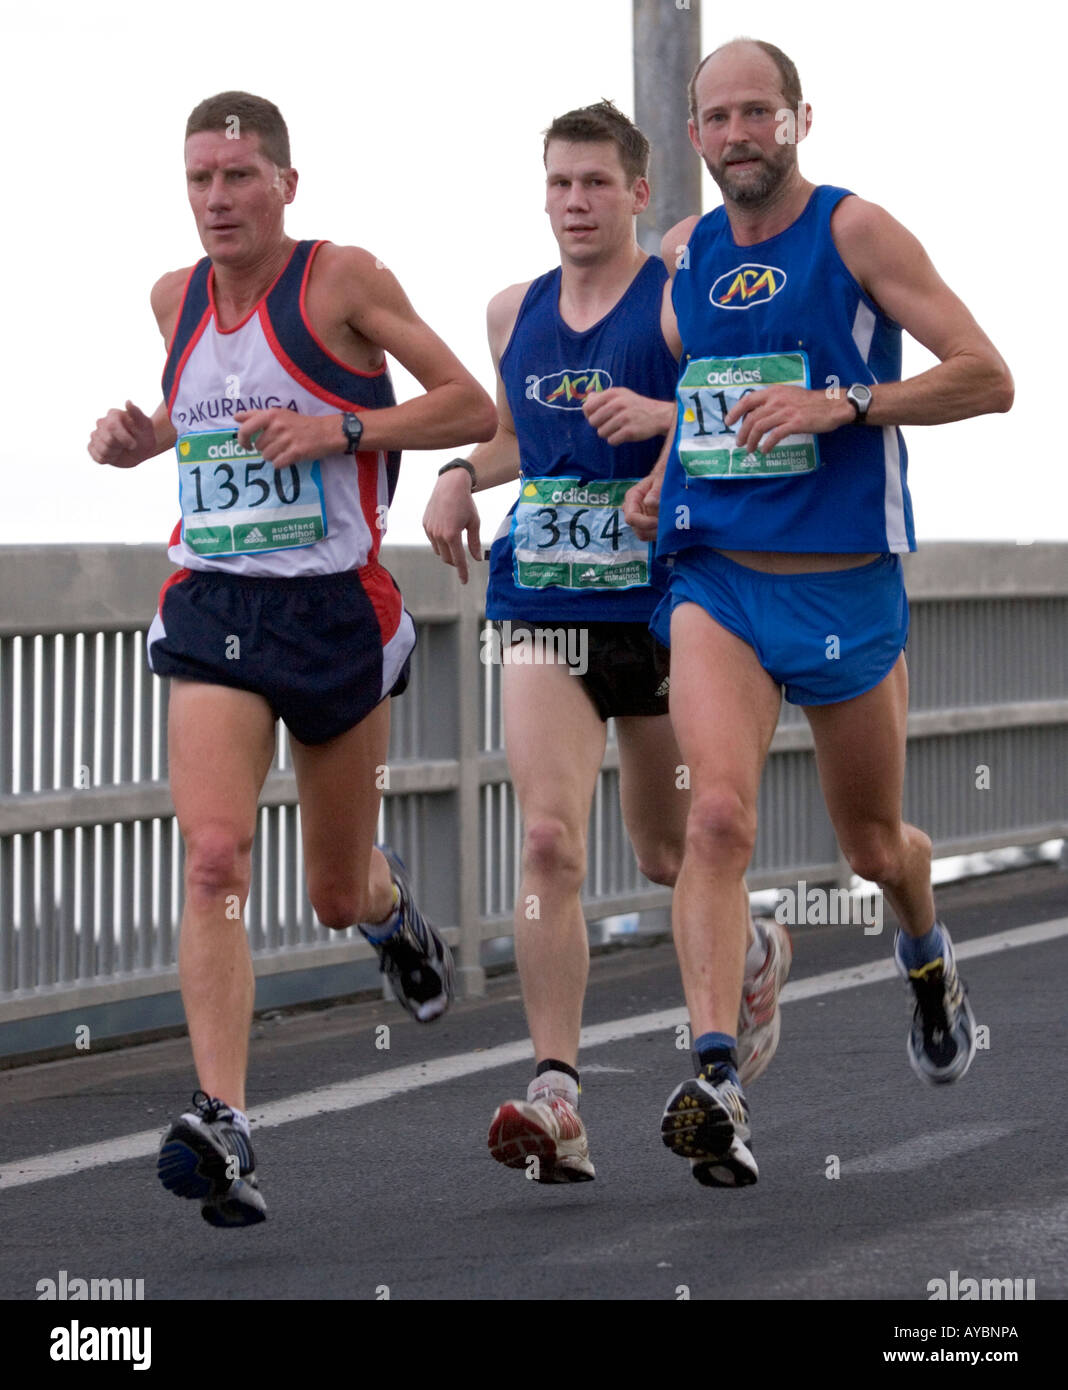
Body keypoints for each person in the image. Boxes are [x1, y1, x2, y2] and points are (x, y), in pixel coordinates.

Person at [88, 91, 496, 1226]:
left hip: (333, 609)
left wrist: (344, 429)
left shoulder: (341, 280)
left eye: (238, 177)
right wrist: (143, 439)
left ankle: (388, 913)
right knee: (215, 857)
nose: (216, 199)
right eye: (199, 180)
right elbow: (207, 411)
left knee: (329, 889)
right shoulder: (174, 298)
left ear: (285, 184)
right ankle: (222, 1116)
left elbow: (469, 399)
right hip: (213, 600)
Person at [624, 40, 1014, 1188]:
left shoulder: (855, 232)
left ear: (799, 120)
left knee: (872, 846)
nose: (740, 134)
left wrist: (847, 400)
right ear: (693, 138)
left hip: (842, 585)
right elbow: (708, 401)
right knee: (717, 823)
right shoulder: (681, 256)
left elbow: (988, 374)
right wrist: (666, 474)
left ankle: (926, 952)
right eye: (719, 118)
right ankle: (716, 1073)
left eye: (760, 113)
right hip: (718, 579)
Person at [423, 101, 791, 1183]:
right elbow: (509, 436)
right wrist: (453, 474)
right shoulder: (512, 311)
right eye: (558, 184)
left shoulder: (677, 304)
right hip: (543, 602)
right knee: (547, 843)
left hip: (668, 600)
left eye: (595, 183)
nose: (575, 203)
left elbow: (736, 408)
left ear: (639, 193)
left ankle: (756, 946)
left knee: (670, 853)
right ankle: (557, 1092)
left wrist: (669, 436)